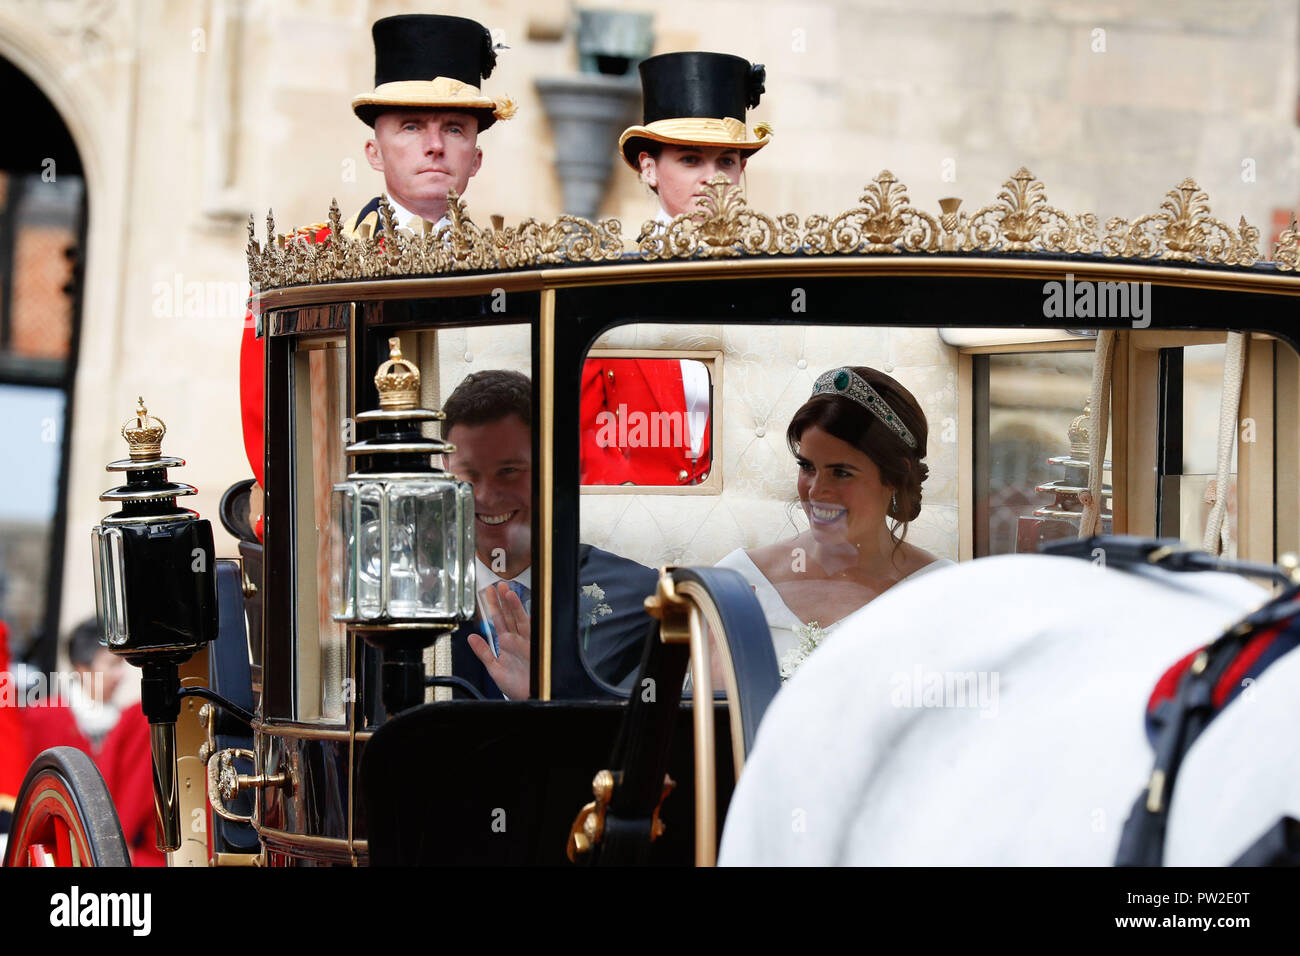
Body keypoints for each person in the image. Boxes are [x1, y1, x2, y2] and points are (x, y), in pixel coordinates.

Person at [239, 13, 515, 499]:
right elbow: (269, 419)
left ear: (475, 156)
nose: (434, 147)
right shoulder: (312, 258)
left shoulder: (518, 264)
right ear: (373, 151)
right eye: (411, 127)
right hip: (357, 525)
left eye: (454, 128)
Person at [715, 366, 953, 675]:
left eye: (840, 472)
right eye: (807, 466)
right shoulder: (735, 581)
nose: (816, 491)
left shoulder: (945, 592)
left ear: (896, 475)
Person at [442, 370, 659, 699]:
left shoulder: (639, 595)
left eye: (509, 471)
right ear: (446, 469)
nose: (485, 495)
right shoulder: (410, 597)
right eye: (469, 474)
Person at [618, 50, 771, 226]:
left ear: (741, 168)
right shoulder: (630, 253)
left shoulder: (758, 252)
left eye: (727, 161)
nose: (713, 177)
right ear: (649, 169)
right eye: (690, 159)